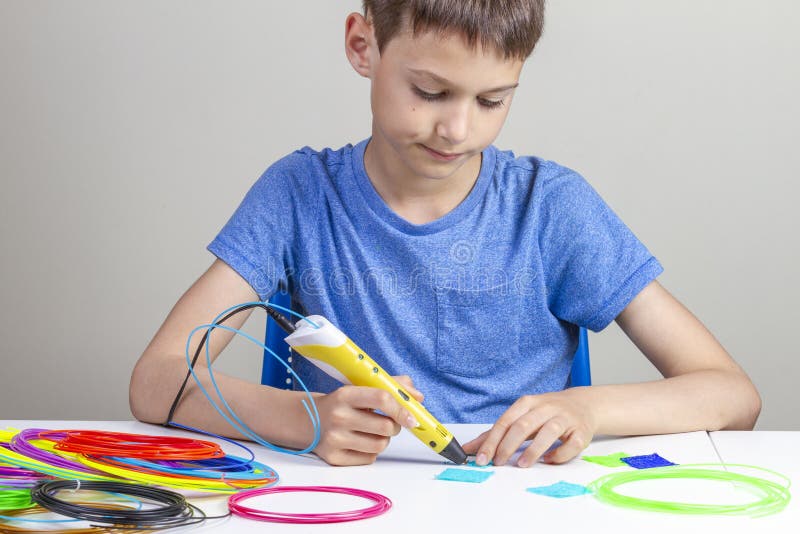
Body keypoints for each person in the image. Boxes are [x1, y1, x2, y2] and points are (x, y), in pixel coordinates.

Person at [129, 0, 761, 468]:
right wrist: (307, 419)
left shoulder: (551, 207)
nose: (458, 130)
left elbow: (733, 395)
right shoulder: (298, 194)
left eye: (492, 101)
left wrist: (588, 409)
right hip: (356, 505)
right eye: (430, 91)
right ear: (363, 46)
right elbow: (155, 381)